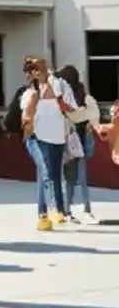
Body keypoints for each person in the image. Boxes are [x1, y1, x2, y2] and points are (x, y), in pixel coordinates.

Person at [21, 56, 77, 230]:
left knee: (52, 174)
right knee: (46, 171)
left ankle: (47, 213)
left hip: (57, 137)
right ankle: (52, 211)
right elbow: (25, 117)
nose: (38, 73)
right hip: (36, 138)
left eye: (40, 68)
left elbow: (71, 107)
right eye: (33, 70)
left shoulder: (60, 85)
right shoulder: (29, 93)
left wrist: (55, 93)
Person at [56, 65, 99, 224]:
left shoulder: (64, 97)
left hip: (68, 142)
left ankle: (67, 210)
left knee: (70, 179)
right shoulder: (83, 95)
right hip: (79, 141)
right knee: (81, 178)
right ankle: (86, 209)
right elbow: (92, 116)